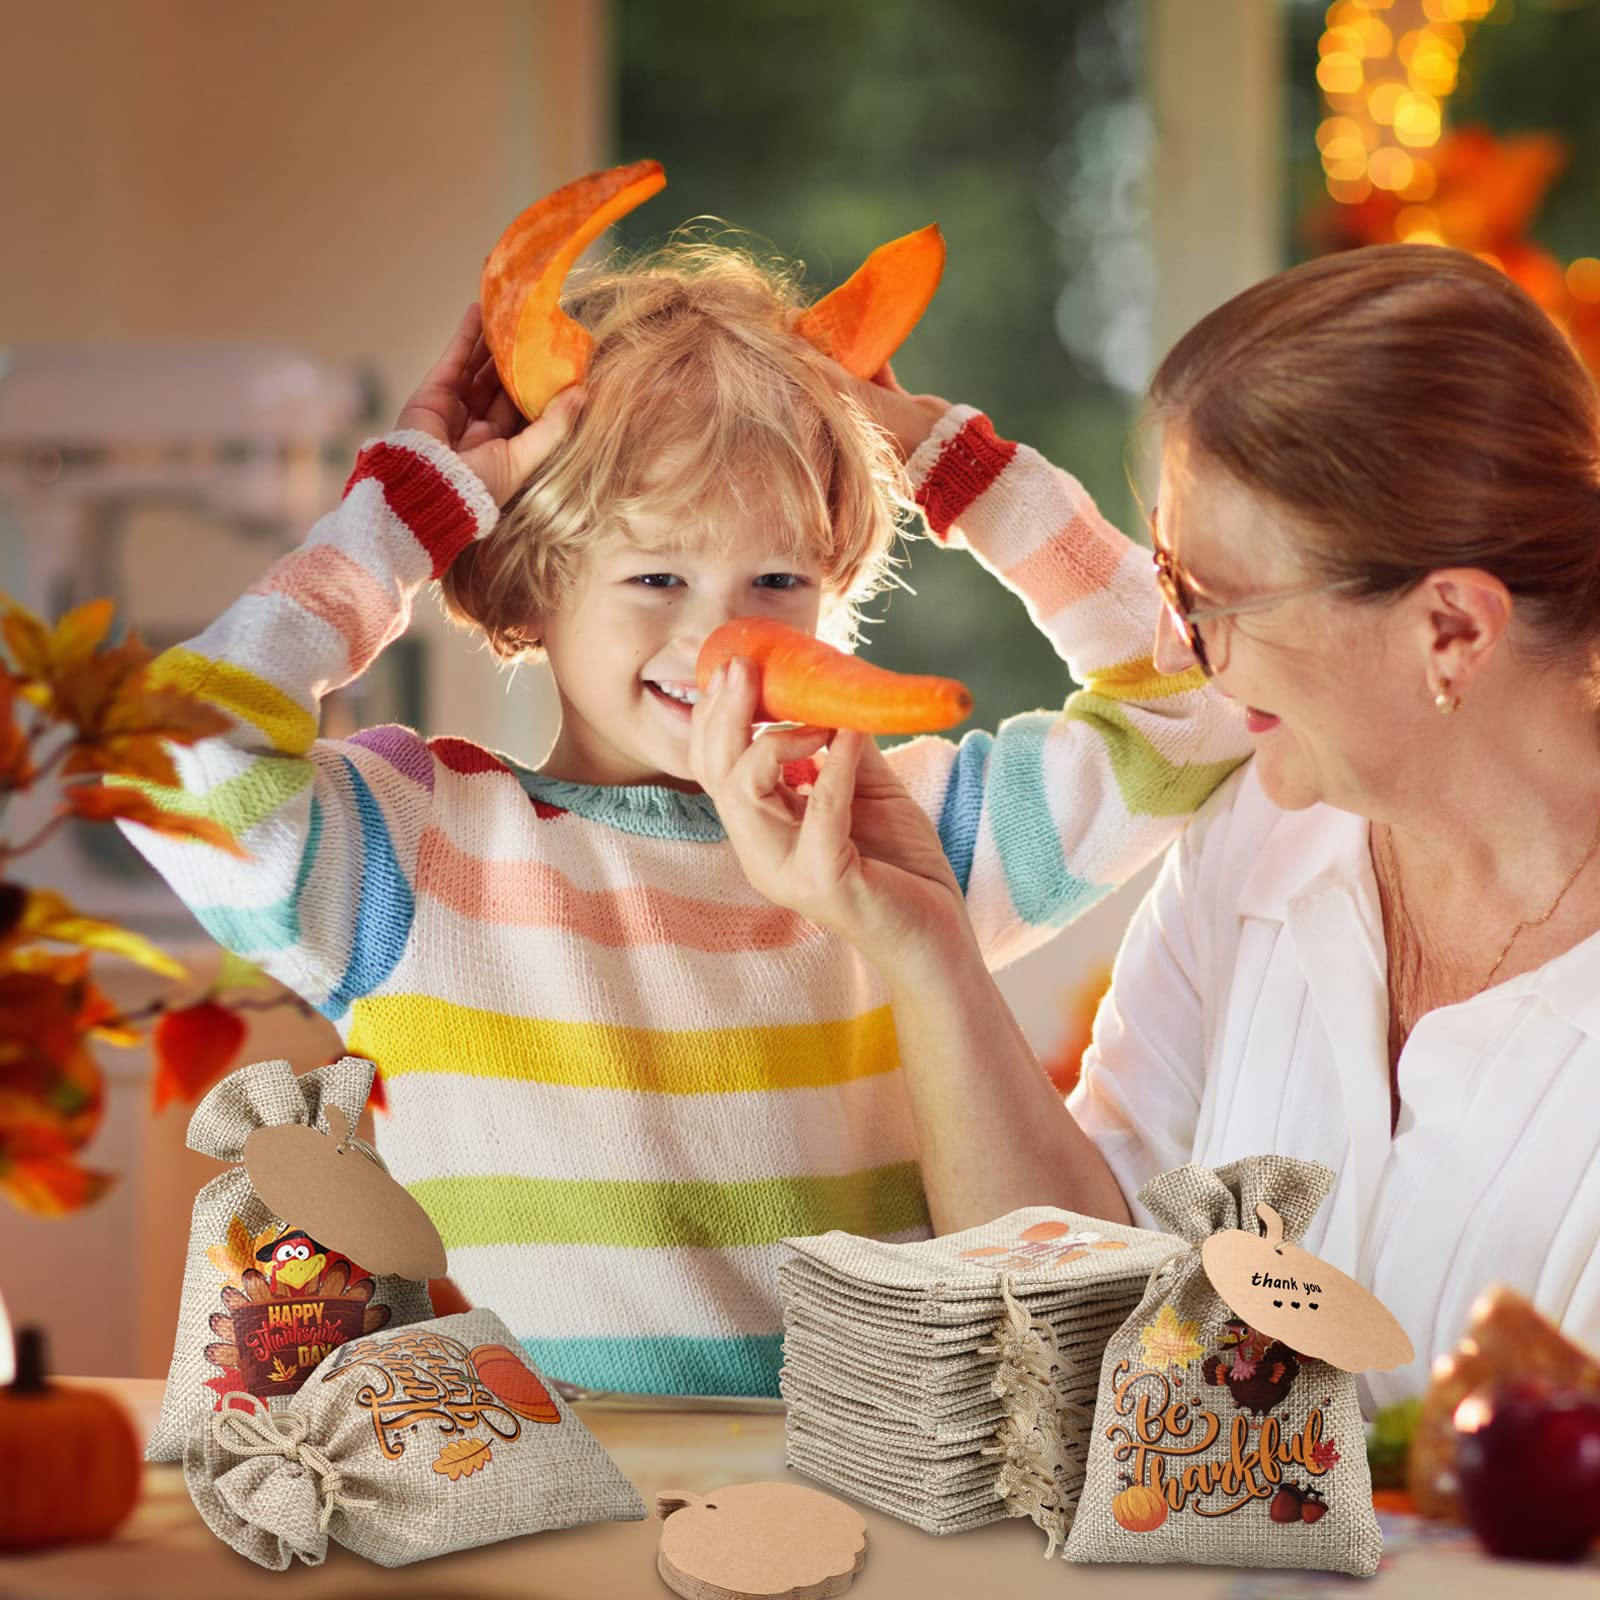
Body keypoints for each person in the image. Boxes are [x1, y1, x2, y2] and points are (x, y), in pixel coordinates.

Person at [115, 236, 1246, 1399]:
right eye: (657, 577)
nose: (719, 637)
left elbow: (1193, 709)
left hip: (876, 1478)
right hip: (558, 1501)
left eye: (777, 580)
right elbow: (175, 758)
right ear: (530, 585)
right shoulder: (426, 850)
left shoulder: (889, 838)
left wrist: (958, 470)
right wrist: (410, 512)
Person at [693, 244, 1600, 1412]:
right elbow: (1076, 1299)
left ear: (1453, 630)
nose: (1174, 652)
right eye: (1172, 589)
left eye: (1213, 604)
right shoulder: (1255, 832)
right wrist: (923, 944)